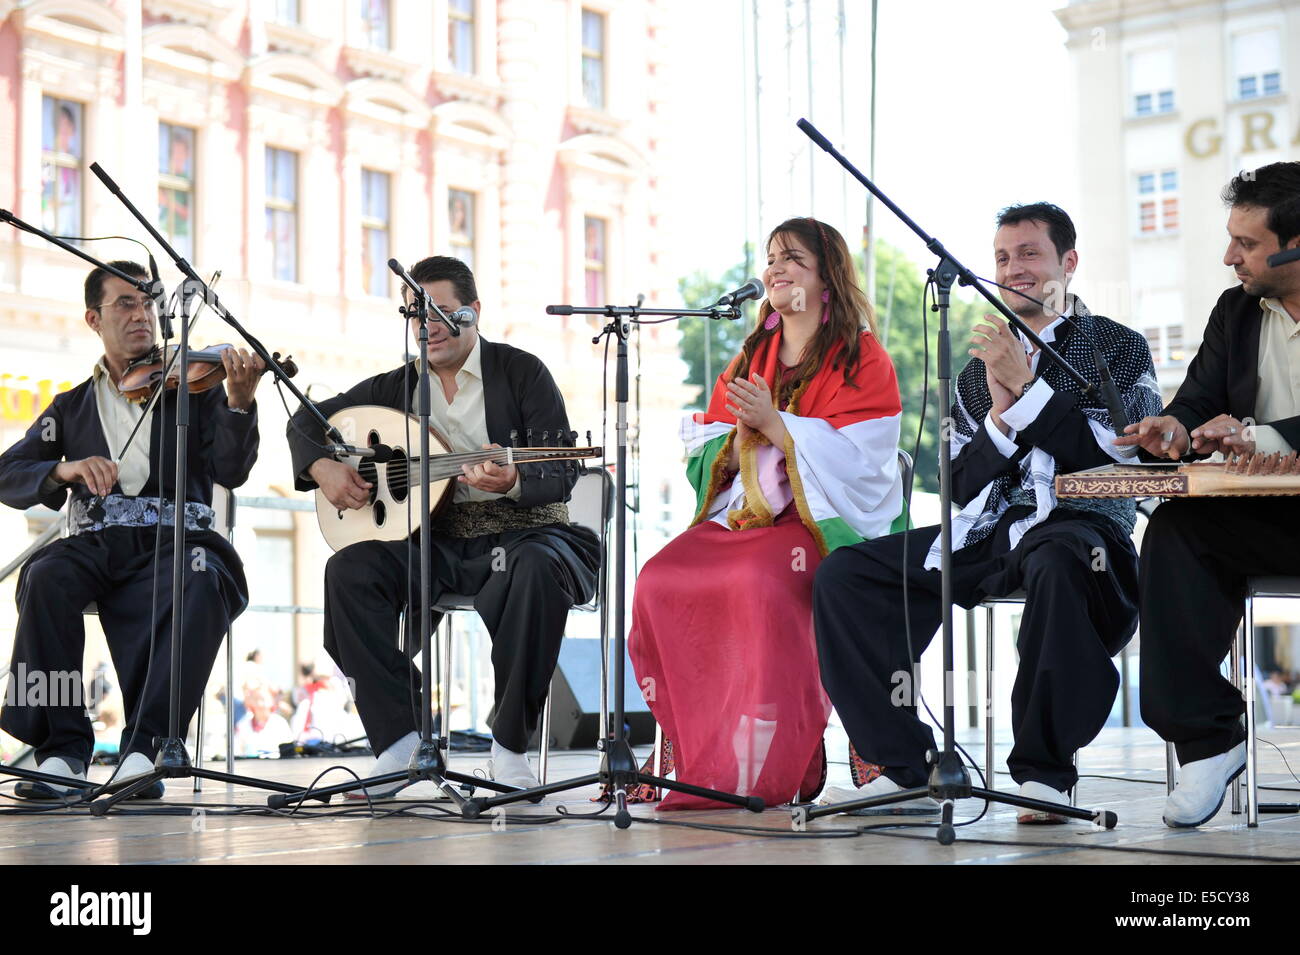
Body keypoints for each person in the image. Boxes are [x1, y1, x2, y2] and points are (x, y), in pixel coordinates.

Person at [814, 203, 1162, 821]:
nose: (1012, 269)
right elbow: (956, 484)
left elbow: (1110, 466)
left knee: (1059, 563)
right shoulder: (978, 370)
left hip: (1082, 525)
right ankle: (901, 765)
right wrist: (1002, 413)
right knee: (846, 577)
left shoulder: (1116, 347)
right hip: (991, 532)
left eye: (1030, 253)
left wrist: (1027, 394)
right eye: (1002, 257)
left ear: (1068, 264)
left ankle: (1045, 773)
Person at [287, 255, 599, 793]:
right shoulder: (395, 386)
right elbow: (305, 421)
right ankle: (401, 743)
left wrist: (515, 482)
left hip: (524, 533)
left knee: (533, 568)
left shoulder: (522, 372)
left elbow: (562, 468)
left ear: (474, 312)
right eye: (416, 313)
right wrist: (322, 467)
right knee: (349, 572)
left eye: (441, 311)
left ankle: (508, 746)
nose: (427, 325)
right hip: (436, 542)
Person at [628, 217, 905, 809]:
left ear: (826, 280)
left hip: (815, 526)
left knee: (758, 582)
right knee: (657, 579)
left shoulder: (864, 359)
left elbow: (867, 460)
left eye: (793, 259)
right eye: (772, 258)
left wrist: (780, 427)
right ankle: (685, 744)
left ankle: (787, 758)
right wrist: (732, 436)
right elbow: (710, 438)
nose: (775, 269)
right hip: (749, 517)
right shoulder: (755, 352)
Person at [0, 260, 264, 798]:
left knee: (202, 578)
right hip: (99, 542)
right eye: (125, 303)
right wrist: (62, 469)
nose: (141, 313)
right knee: (45, 574)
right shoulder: (71, 405)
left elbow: (232, 471)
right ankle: (63, 754)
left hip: (179, 542)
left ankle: (148, 746)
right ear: (94, 319)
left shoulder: (197, 387)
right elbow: (8, 471)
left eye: (147, 303)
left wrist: (239, 402)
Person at [1117, 161, 1300, 828]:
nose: (1230, 257)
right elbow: (1195, 406)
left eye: (1246, 244)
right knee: (1174, 530)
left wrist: (1259, 435)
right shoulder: (1235, 311)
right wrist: (1174, 430)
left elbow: (1256, 428)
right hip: (1266, 517)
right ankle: (1208, 736)